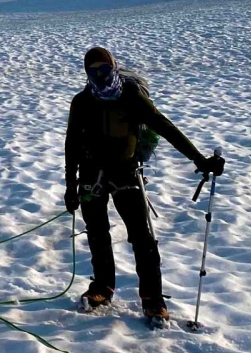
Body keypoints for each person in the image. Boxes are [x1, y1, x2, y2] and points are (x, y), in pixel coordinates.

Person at [64, 45, 224, 323]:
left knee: (142, 237)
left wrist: (199, 160)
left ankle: (153, 300)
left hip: (125, 172)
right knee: (97, 232)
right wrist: (70, 185)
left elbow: (164, 126)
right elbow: (72, 145)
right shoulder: (82, 102)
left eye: (103, 68)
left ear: (113, 67)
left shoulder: (130, 95)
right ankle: (103, 287)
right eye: (92, 70)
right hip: (91, 175)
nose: (99, 75)